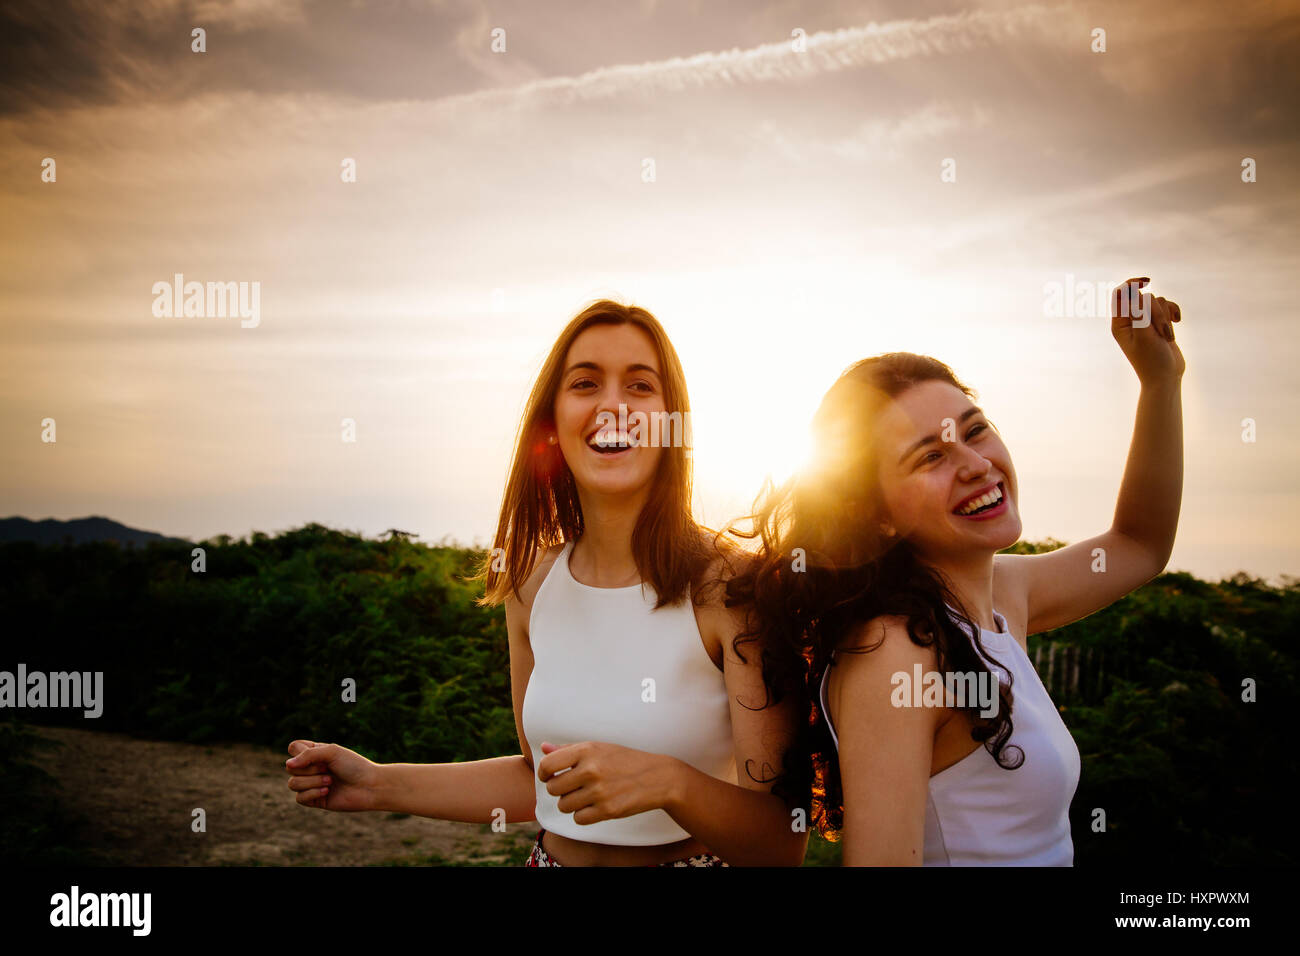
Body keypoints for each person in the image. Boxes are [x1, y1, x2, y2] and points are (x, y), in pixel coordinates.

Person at [286, 299, 808, 866]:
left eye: (640, 386)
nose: (613, 405)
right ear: (552, 424)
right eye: (585, 383)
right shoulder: (529, 583)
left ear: (671, 421)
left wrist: (670, 782)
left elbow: (782, 842)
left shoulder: (732, 589)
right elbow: (538, 781)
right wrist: (375, 784)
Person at [726, 277, 1183, 864]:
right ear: (877, 514)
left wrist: (1160, 379)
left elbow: (1140, 544)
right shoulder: (895, 652)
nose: (975, 464)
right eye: (931, 457)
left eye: (975, 430)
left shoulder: (1000, 596)